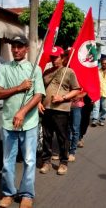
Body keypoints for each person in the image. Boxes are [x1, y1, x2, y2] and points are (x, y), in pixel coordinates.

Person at [0, 35, 45, 208]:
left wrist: (22, 111)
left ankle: (27, 194)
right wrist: (19, 88)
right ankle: (8, 192)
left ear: (26, 49)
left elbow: (38, 95)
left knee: (29, 160)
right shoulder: (4, 68)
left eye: (20, 47)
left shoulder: (34, 69)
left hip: (29, 123)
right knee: (8, 161)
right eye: (14, 47)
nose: (16, 50)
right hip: (8, 122)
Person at [38, 46, 80, 175]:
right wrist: (39, 102)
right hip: (46, 109)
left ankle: (63, 162)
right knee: (46, 136)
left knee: (62, 137)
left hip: (61, 110)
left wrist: (62, 97)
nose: (53, 60)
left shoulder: (69, 72)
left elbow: (76, 89)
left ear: (62, 58)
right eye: (52, 57)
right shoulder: (46, 72)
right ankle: (46, 161)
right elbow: (39, 89)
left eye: (56, 57)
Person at [91, 57, 106, 126]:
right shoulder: (97, 71)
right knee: (96, 106)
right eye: (102, 63)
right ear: (101, 63)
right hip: (97, 92)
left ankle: (102, 119)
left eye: (105, 63)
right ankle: (94, 120)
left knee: (105, 108)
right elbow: (94, 81)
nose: (104, 65)